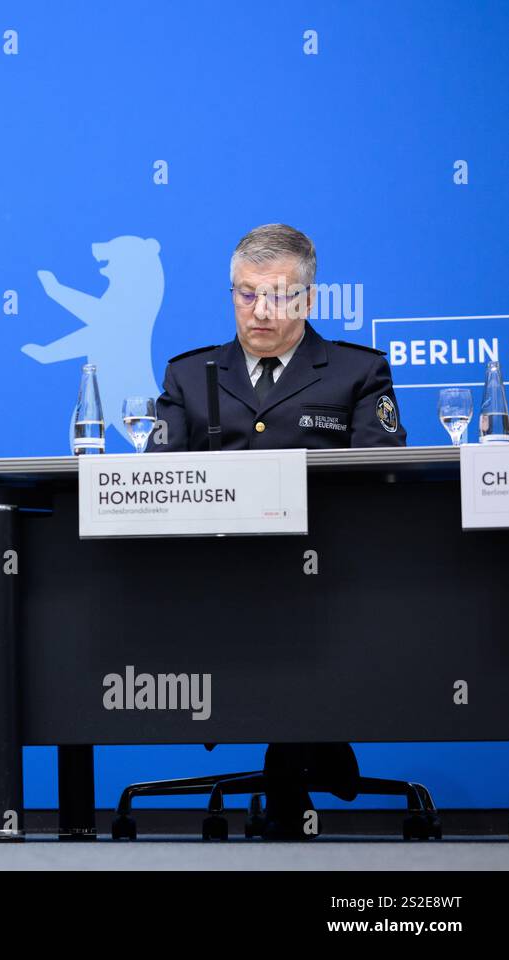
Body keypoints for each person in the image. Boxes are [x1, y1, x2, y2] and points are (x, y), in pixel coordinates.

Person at [146, 223, 406, 838]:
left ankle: (296, 753)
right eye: (246, 294)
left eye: (281, 295)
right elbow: (158, 481)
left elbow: (384, 477)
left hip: (329, 574)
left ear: (310, 300)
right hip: (219, 573)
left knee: (303, 603)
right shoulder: (190, 375)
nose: (261, 310)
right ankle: (314, 738)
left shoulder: (356, 372)